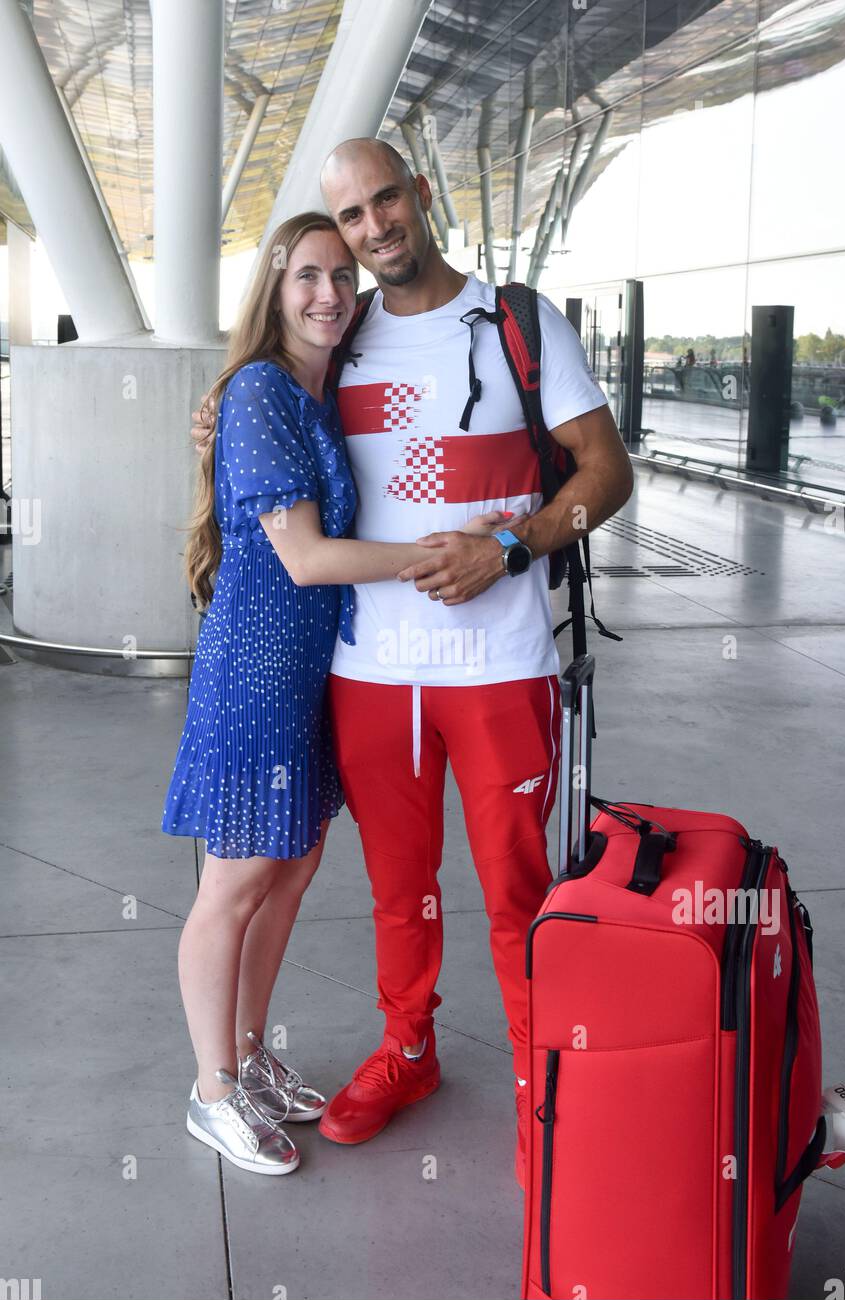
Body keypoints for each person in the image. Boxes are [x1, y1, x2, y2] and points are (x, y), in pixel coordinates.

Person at [194, 140, 633, 1189]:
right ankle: (408, 1051)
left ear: (419, 197)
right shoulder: (336, 343)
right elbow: (263, 420)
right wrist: (210, 417)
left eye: (385, 200)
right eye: (349, 217)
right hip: (371, 670)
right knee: (399, 891)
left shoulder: (518, 322)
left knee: (518, 890)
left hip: (499, 665)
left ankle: (542, 1083)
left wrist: (515, 544)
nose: (372, 227)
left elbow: (605, 469)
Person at [166, 209, 507, 1177]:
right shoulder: (263, 392)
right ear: (273, 292)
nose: (328, 294)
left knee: (290, 875)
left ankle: (246, 1056)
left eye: (340, 278)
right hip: (257, 673)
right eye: (307, 275)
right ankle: (212, 1091)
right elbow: (308, 558)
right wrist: (439, 557)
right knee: (234, 883)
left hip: (320, 671)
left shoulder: (321, 392)